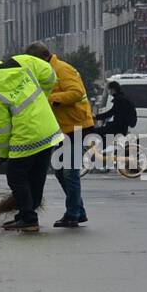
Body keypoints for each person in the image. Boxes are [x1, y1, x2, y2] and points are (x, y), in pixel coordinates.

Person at [0, 52, 65, 233]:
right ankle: (26, 212)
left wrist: (4, 154)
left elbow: (1, 129)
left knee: (16, 177)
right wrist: (42, 99)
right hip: (49, 129)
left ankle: (28, 218)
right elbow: (50, 75)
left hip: (27, 136)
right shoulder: (21, 63)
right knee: (36, 176)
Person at [25, 41, 89, 227]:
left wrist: (51, 99)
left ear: (42, 58)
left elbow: (76, 92)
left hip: (76, 125)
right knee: (61, 172)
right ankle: (79, 211)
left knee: (69, 172)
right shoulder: (47, 72)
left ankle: (73, 213)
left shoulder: (62, 69)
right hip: (62, 128)